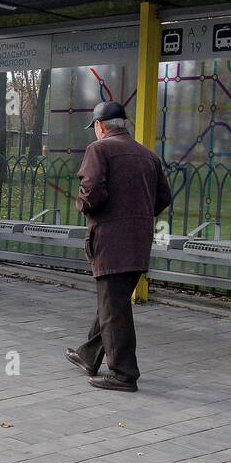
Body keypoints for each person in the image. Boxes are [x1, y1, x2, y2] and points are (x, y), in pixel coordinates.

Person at [64, 100, 171, 392]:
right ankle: (88, 355)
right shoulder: (148, 155)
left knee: (114, 309)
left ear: (100, 126)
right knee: (113, 302)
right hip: (139, 242)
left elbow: (93, 189)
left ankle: (123, 374)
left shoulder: (98, 149)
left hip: (111, 241)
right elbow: (163, 197)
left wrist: (83, 205)